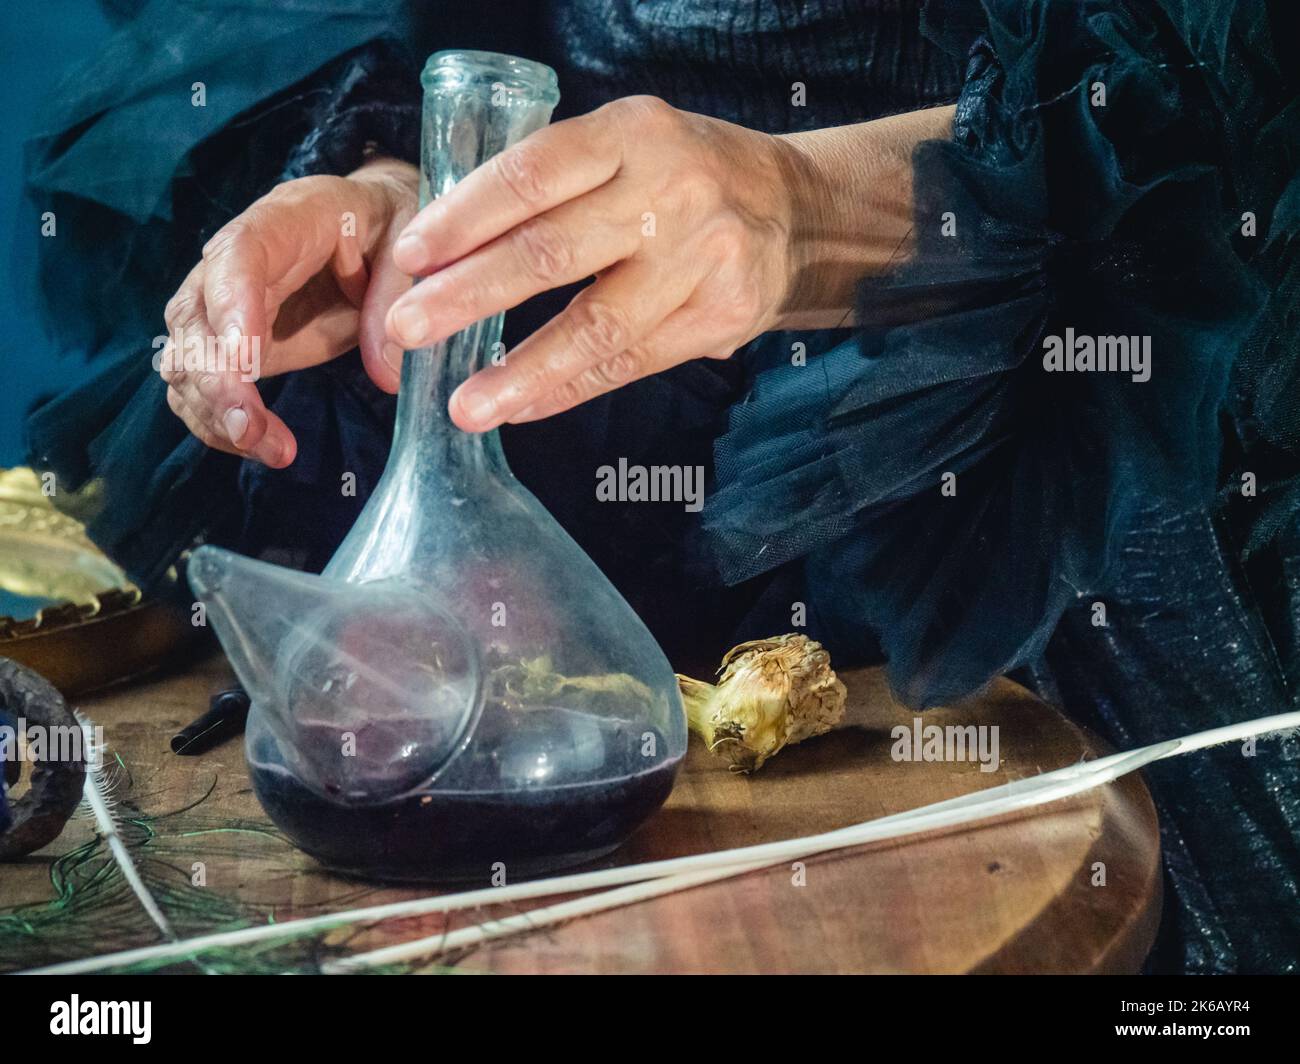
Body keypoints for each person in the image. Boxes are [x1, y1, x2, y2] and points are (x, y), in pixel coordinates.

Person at [24, 1, 1300, 972]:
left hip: (1055, 485)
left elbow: (1224, 124)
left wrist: (807, 204)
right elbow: (477, 39)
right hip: (604, 450)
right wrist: (399, 202)